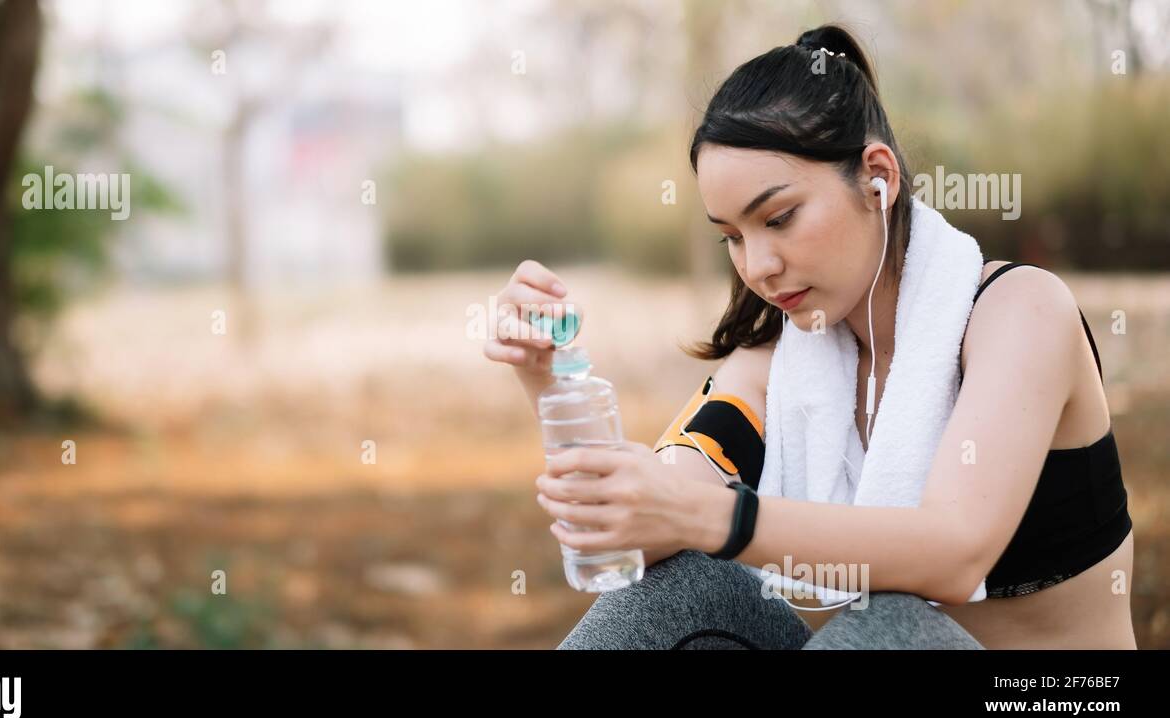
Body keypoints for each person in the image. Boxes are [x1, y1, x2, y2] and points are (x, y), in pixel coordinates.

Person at [482, 24, 1135, 649]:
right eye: (733, 236)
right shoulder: (773, 368)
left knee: (887, 627)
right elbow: (639, 526)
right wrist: (553, 379)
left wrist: (711, 517)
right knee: (672, 588)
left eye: (780, 217)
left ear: (877, 178)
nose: (758, 265)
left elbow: (955, 552)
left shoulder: (1018, 312)